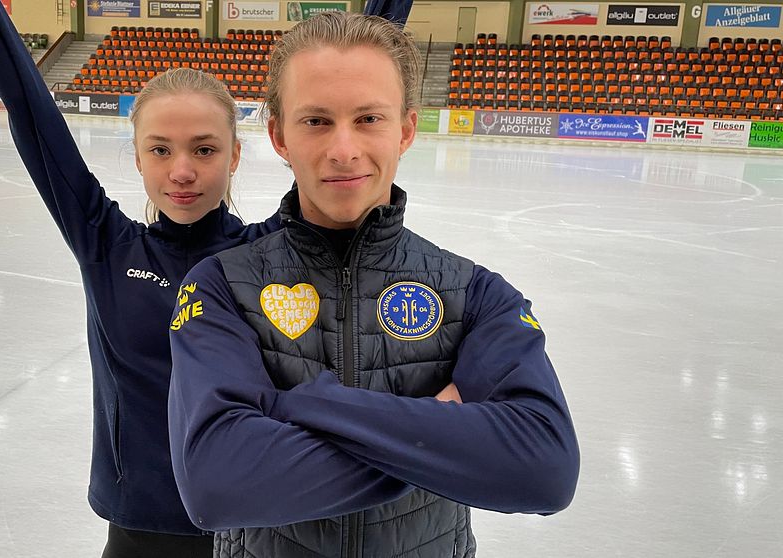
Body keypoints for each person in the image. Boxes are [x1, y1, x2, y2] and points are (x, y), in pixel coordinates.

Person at [168, 11, 580, 558]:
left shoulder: (476, 294)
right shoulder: (220, 288)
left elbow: (544, 470)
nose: (344, 149)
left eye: (368, 118)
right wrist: (441, 442)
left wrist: (306, 404)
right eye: (316, 121)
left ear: (406, 129)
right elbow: (216, 484)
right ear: (279, 135)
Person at [0, 1, 281, 556]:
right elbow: (33, 114)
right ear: (136, 156)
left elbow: (350, 92)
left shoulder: (267, 254)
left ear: (235, 156)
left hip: (252, 529)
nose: (181, 171)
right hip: (138, 529)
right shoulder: (105, 244)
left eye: (204, 149)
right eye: (160, 150)